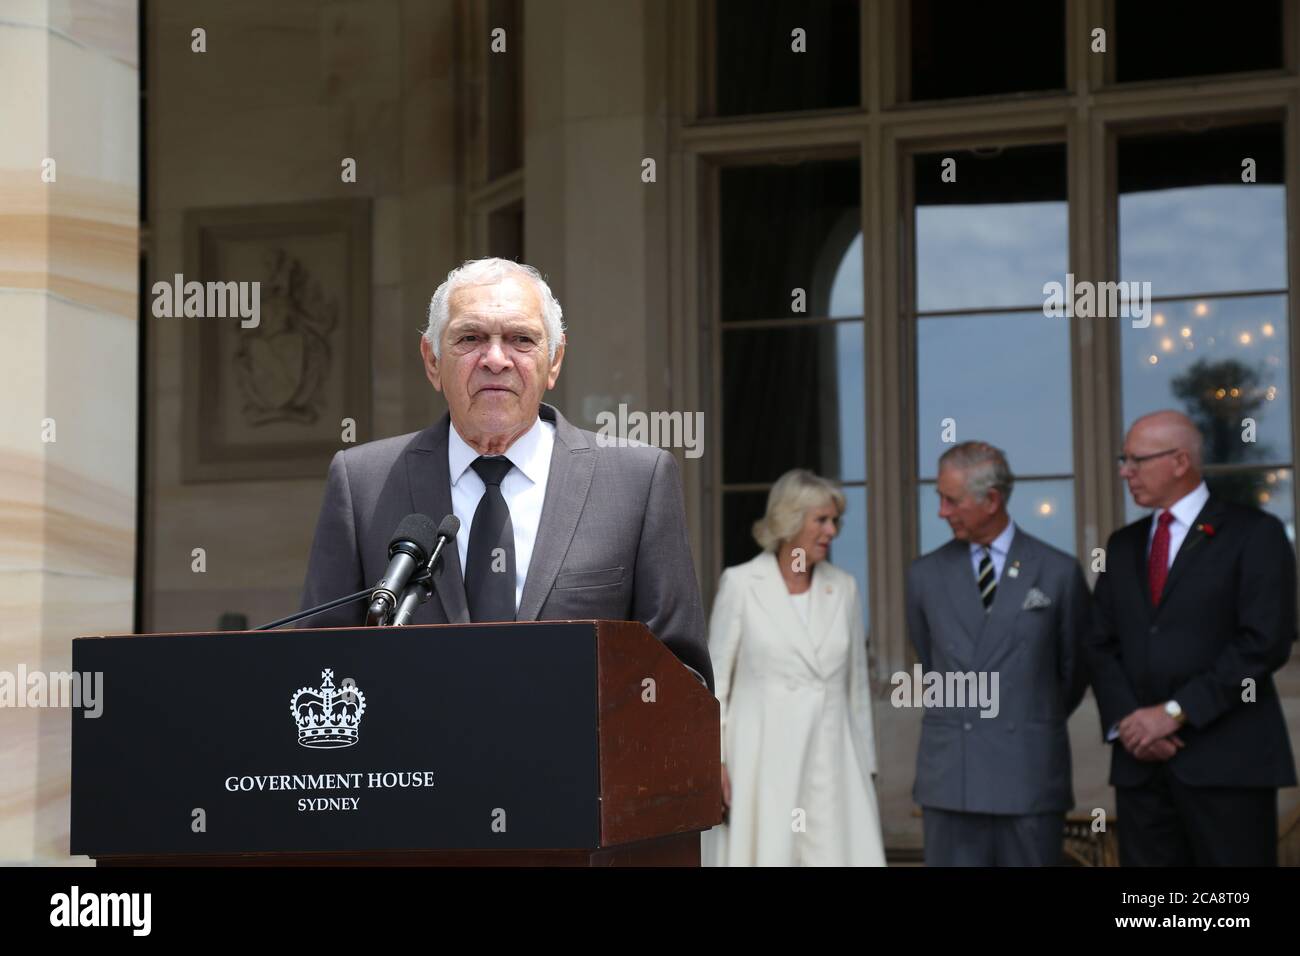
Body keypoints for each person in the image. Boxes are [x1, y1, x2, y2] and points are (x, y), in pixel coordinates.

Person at [299, 257, 713, 690]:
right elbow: (317, 666)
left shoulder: (636, 481)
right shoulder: (363, 481)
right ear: (432, 361)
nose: (495, 359)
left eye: (521, 339)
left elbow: (682, 679)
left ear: (554, 361)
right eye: (470, 337)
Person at [1087, 409, 1296, 865]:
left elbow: (1264, 642)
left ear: (1180, 461)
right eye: (1124, 461)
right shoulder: (1121, 546)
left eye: (1136, 460)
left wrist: (1176, 713)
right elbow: (1098, 643)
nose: (1125, 471)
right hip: (1140, 766)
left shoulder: (1254, 534)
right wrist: (1131, 723)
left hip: (1228, 764)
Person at [906, 442, 1090, 866]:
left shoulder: (1057, 571)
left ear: (991, 500)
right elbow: (933, 665)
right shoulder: (924, 575)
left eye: (950, 500)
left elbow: (1073, 672)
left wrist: (1023, 710)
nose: (941, 512)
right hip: (953, 777)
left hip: (1028, 773)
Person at [703, 469, 885, 866]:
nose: (832, 531)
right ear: (788, 520)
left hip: (834, 760)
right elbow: (715, 685)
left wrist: (866, 768)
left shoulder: (846, 588)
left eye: (835, 520)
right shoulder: (741, 583)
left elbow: (856, 690)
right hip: (761, 762)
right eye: (821, 519)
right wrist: (713, 763)